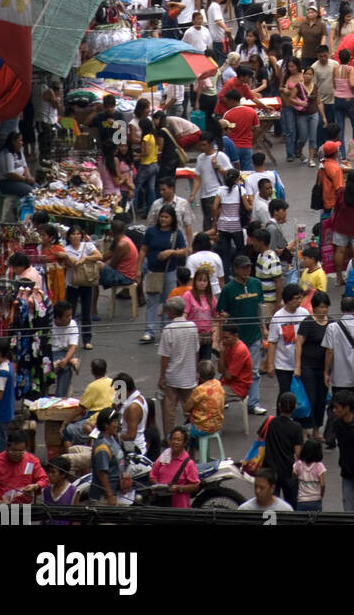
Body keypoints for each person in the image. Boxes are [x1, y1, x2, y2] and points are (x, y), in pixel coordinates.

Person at [217, 255, 266, 415]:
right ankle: (222, 396)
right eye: (243, 267)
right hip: (235, 339)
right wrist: (220, 337)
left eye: (248, 267)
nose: (246, 270)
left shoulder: (256, 284)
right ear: (236, 269)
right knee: (228, 369)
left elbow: (260, 308)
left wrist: (263, 327)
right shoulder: (228, 289)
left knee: (254, 370)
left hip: (254, 334)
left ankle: (254, 402)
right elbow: (221, 313)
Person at [138, 203, 187, 344]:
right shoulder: (151, 232)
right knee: (152, 301)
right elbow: (143, 250)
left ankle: (166, 329)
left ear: (172, 218)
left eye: (166, 217)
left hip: (170, 272)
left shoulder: (176, 233)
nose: (163, 219)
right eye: (161, 217)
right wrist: (138, 270)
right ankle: (149, 331)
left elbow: (184, 250)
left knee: (168, 301)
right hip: (153, 271)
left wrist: (171, 252)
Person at [323, 296, 354, 421]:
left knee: (337, 409)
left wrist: (326, 372)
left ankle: (333, 437)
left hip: (339, 377)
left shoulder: (332, 327)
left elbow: (329, 351)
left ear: (341, 308)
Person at [158, 297, 200, 436]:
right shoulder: (193, 327)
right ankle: (192, 435)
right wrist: (196, 371)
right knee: (191, 410)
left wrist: (162, 377)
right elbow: (196, 351)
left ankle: (170, 438)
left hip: (172, 377)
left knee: (169, 410)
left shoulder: (168, 330)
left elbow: (165, 357)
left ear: (170, 312)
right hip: (188, 376)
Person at [295, 290, 331, 440]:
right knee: (309, 399)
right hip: (307, 366)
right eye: (321, 307)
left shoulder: (331, 323)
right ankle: (303, 429)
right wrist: (297, 366)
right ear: (314, 307)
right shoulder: (308, 322)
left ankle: (316, 430)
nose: (324, 310)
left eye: (326, 307)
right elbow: (299, 344)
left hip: (324, 368)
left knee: (321, 400)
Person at [265, 282, 310, 398]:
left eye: (300, 298)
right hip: (283, 364)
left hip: (302, 362)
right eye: (296, 298)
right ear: (287, 300)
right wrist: (270, 364)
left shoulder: (305, 314)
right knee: (285, 395)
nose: (299, 301)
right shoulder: (277, 317)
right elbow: (272, 342)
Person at [261, 391, 304, 508]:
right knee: (291, 505)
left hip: (270, 469)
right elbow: (298, 453)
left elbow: (262, 439)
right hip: (288, 470)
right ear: (294, 407)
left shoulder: (271, 422)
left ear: (279, 406)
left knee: (271, 505)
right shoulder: (296, 427)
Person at [0, 426, 48, 504]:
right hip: (1, 506)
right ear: (7, 447)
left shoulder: (31, 461)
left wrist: (36, 486)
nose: (17, 454)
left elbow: (44, 479)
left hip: (25, 507)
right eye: (14, 450)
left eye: (21, 451)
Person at [150, 425, 200, 509]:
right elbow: (153, 475)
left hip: (179, 507)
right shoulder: (163, 457)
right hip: (161, 503)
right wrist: (158, 486)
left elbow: (195, 485)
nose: (175, 442)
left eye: (179, 440)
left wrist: (179, 488)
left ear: (184, 443)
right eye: (173, 439)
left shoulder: (189, 463)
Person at [89, 408, 125, 506]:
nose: (117, 424)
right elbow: (102, 473)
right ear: (106, 425)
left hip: (115, 492)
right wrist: (109, 496)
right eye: (114, 421)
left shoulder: (112, 439)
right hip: (103, 498)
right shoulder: (102, 446)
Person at [50, 300, 79, 399]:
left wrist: (66, 360)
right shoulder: (49, 324)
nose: (70, 318)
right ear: (58, 318)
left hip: (65, 353)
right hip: (51, 353)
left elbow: (73, 347)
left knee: (65, 369)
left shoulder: (73, 324)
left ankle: (59, 398)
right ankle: (71, 362)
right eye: (67, 316)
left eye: (70, 315)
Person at [293, 437, 326, 512]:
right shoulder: (319, 466)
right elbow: (322, 484)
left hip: (302, 499)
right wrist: (321, 494)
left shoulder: (299, 464)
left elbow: (294, 475)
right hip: (316, 499)